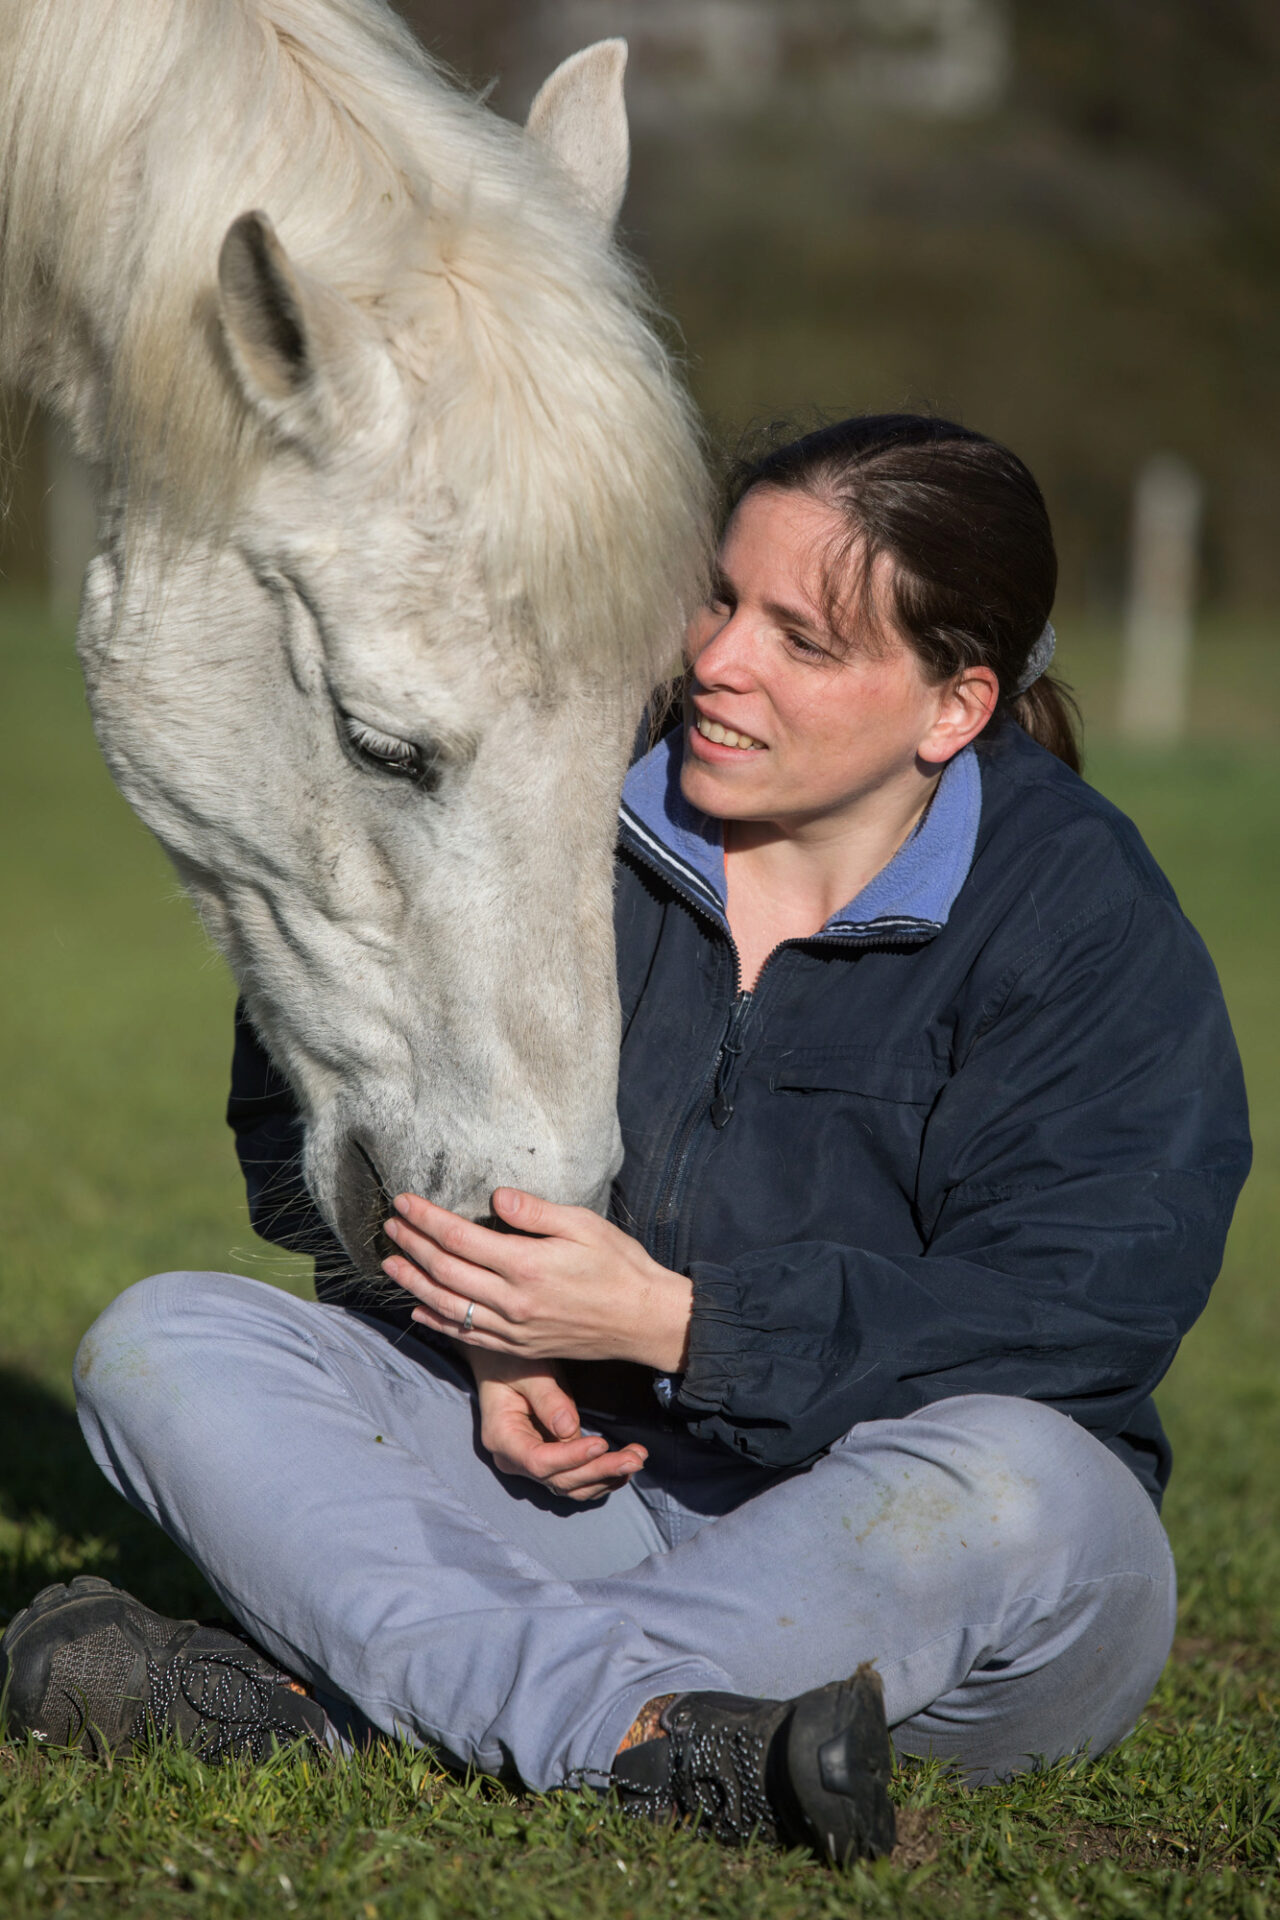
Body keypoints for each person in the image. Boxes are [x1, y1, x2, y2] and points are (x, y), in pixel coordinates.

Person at [1, 415, 1250, 1866]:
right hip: (564, 1488)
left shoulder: (1083, 921)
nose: (720, 660)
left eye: (803, 640)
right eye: (719, 596)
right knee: (168, 1342)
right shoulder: (554, 794)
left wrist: (678, 1325)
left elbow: (1078, 1316)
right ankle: (650, 1735)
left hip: (911, 1570)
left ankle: (356, 1701)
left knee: (1039, 1489)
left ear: (952, 706)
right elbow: (315, 1084)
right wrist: (482, 1333)